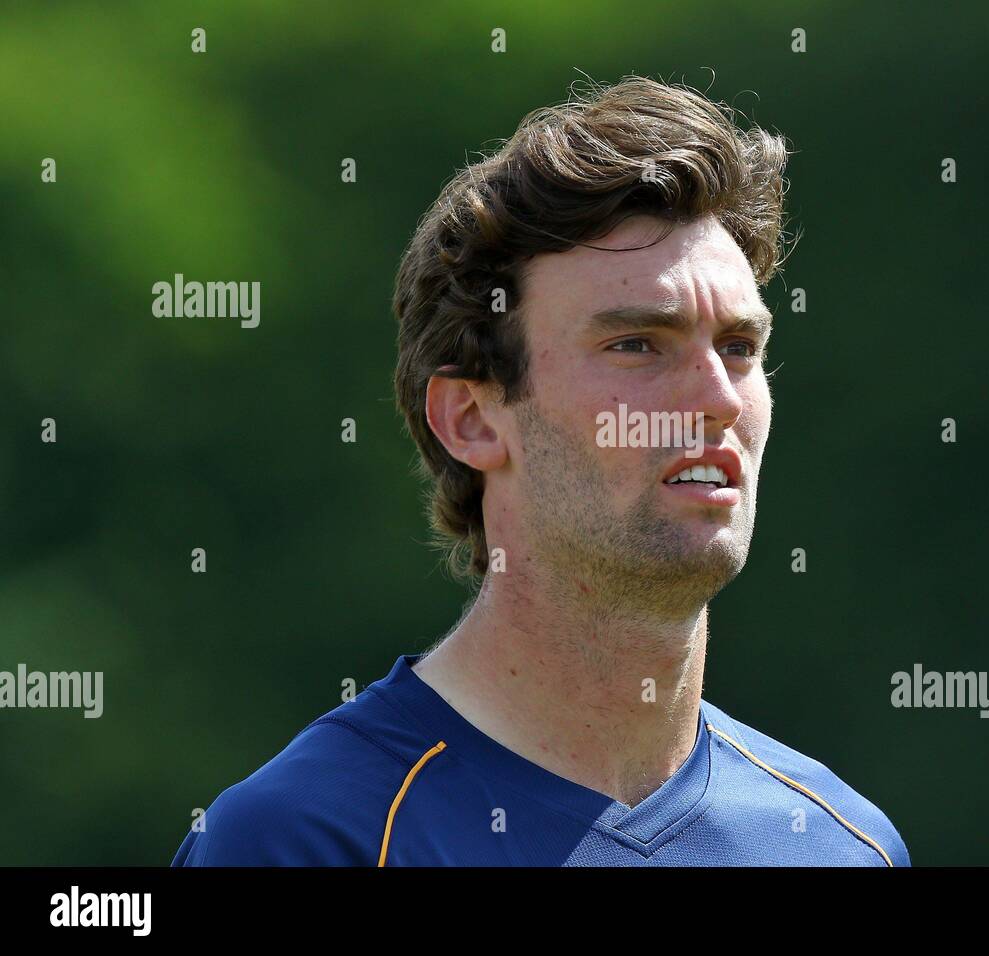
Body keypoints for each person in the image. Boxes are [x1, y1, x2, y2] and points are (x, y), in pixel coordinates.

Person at [172, 75, 909, 866]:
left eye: (738, 347)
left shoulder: (838, 844)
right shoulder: (307, 842)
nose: (717, 399)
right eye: (637, 344)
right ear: (473, 420)